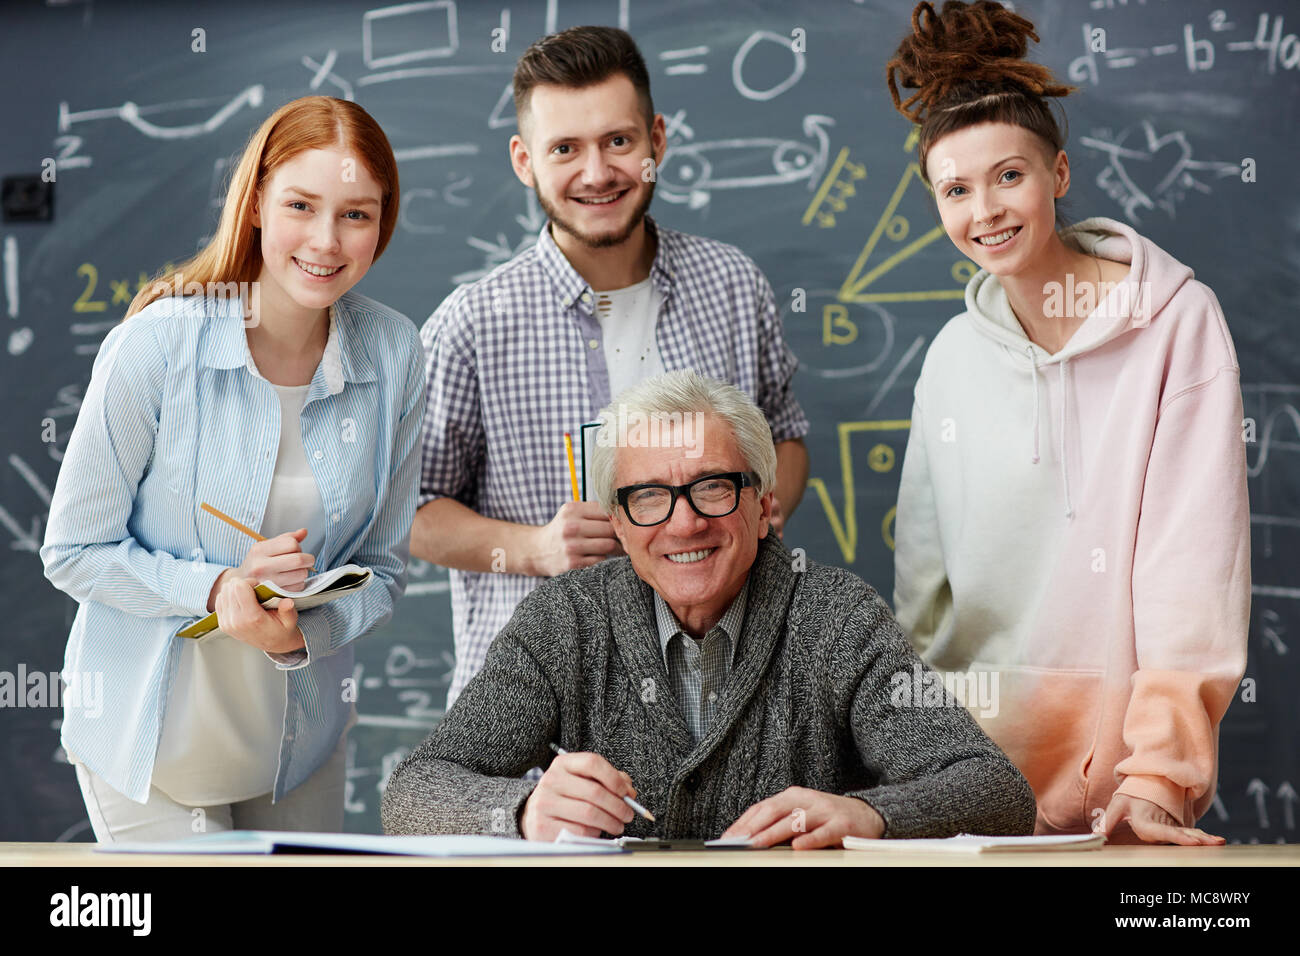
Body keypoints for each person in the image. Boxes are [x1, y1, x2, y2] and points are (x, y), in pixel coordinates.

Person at [382, 371, 1035, 844]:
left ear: (761, 504)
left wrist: (875, 816)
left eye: (713, 487)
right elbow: (412, 793)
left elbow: (996, 793)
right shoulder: (563, 621)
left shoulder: (838, 618)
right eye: (648, 497)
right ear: (618, 519)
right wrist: (521, 810)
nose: (685, 523)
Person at [886, 2, 1249, 845]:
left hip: (1125, 787)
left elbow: (1194, 567)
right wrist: (915, 766)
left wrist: (1160, 774)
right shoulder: (950, 358)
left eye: (1009, 175)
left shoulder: (1176, 324)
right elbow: (924, 592)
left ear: (1060, 172)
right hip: (970, 789)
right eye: (956, 190)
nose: (987, 211)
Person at [40, 95, 427, 841]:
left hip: (297, 747)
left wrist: (301, 634)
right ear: (254, 204)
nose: (326, 240)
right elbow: (73, 552)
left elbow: (383, 567)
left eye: (356, 214)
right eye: (301, 205)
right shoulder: (157, 346)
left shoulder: (395, 352)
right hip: (149, 749)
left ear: (384, 220)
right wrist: (217, 588)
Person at [413, 26, 810, 709]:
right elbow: (412, 512)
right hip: (542, 713)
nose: (597, 173)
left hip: (726, 698)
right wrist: (536, 548)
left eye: (618, 141)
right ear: (524, 160)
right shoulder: (470, 324)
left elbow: (784, 433)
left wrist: (765, 508)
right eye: (565, 149)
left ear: (657, 139)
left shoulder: (734, 285)